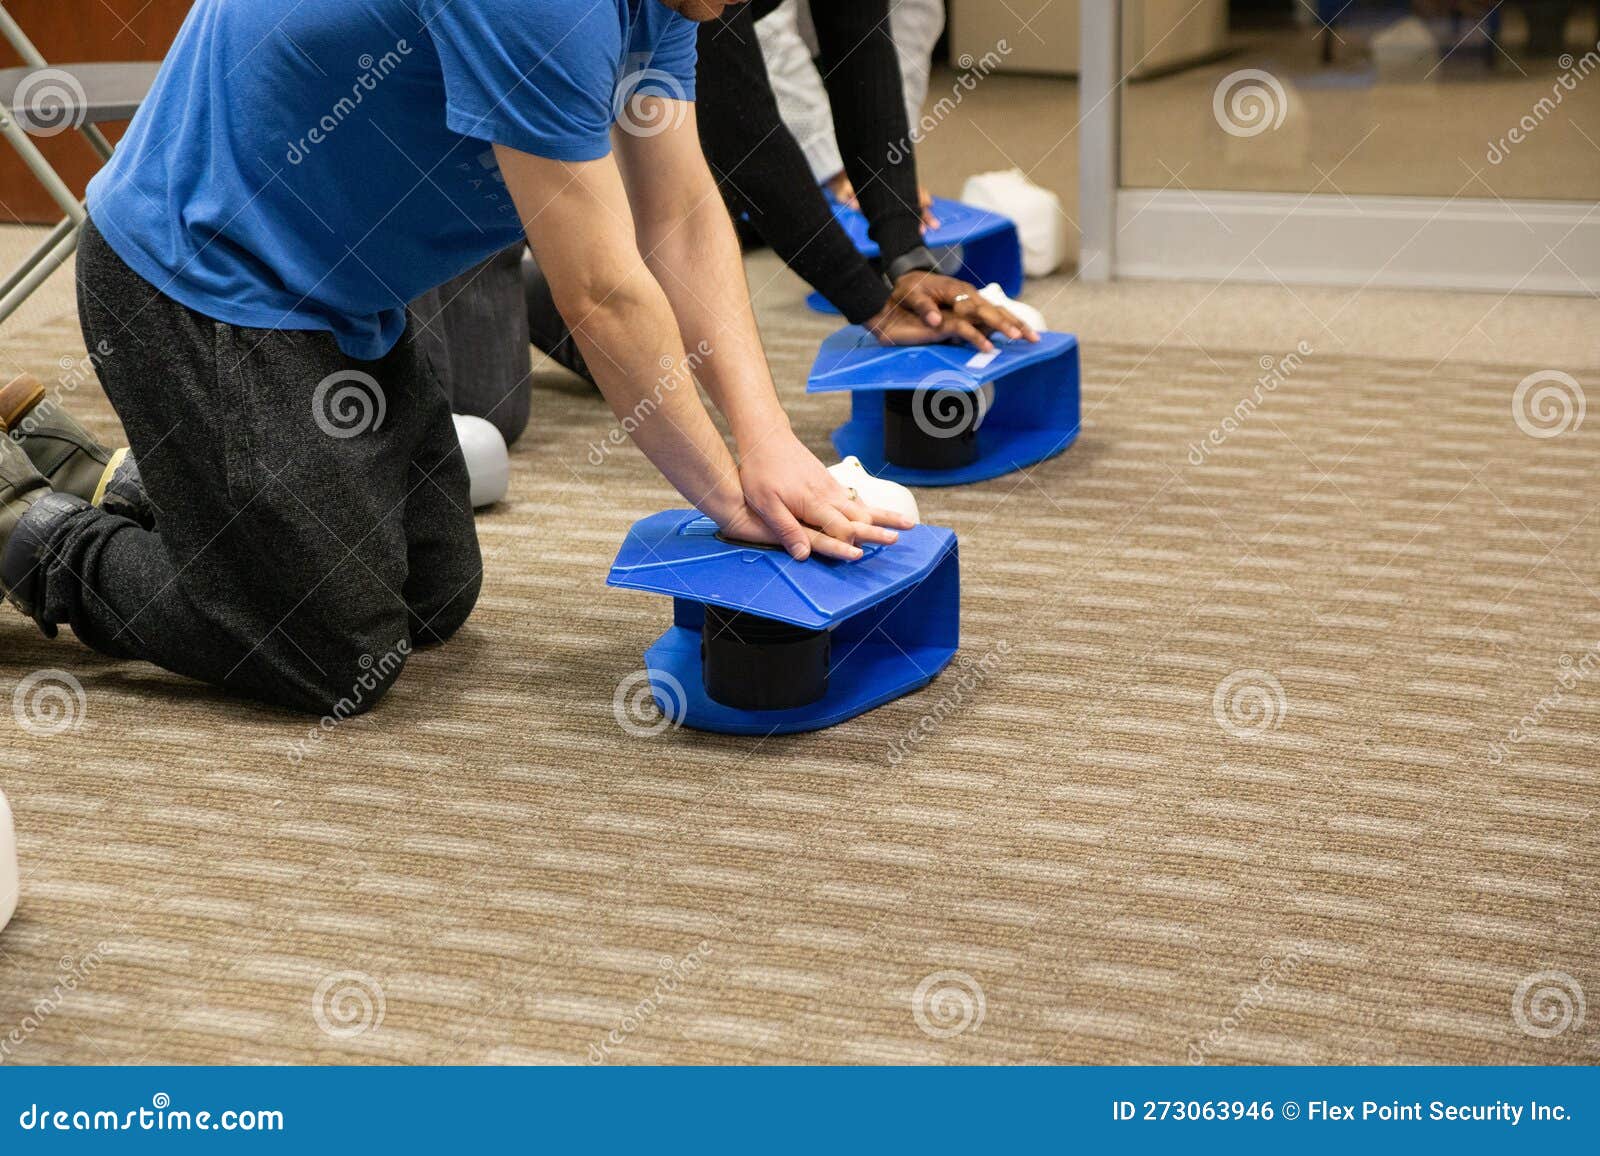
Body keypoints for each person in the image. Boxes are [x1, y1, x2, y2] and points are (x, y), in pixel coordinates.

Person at [0, 0, 910, 718]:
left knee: (433, 596)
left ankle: (114, 474)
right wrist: (726, 497)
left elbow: (677, 212)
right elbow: (599, 293)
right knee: (332, 650)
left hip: (346, 295)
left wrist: (769, 442)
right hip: (200, 279)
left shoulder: (669, 3)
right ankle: (24, 525)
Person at [527, 0, 1035, 383]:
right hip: (503, 83)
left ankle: (563, 274)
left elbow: (862, 50)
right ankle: (521, 270)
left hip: (613, 56)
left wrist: (906, 257)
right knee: (503, 410)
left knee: (657, 357)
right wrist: (869, 301)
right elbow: (742, 132)